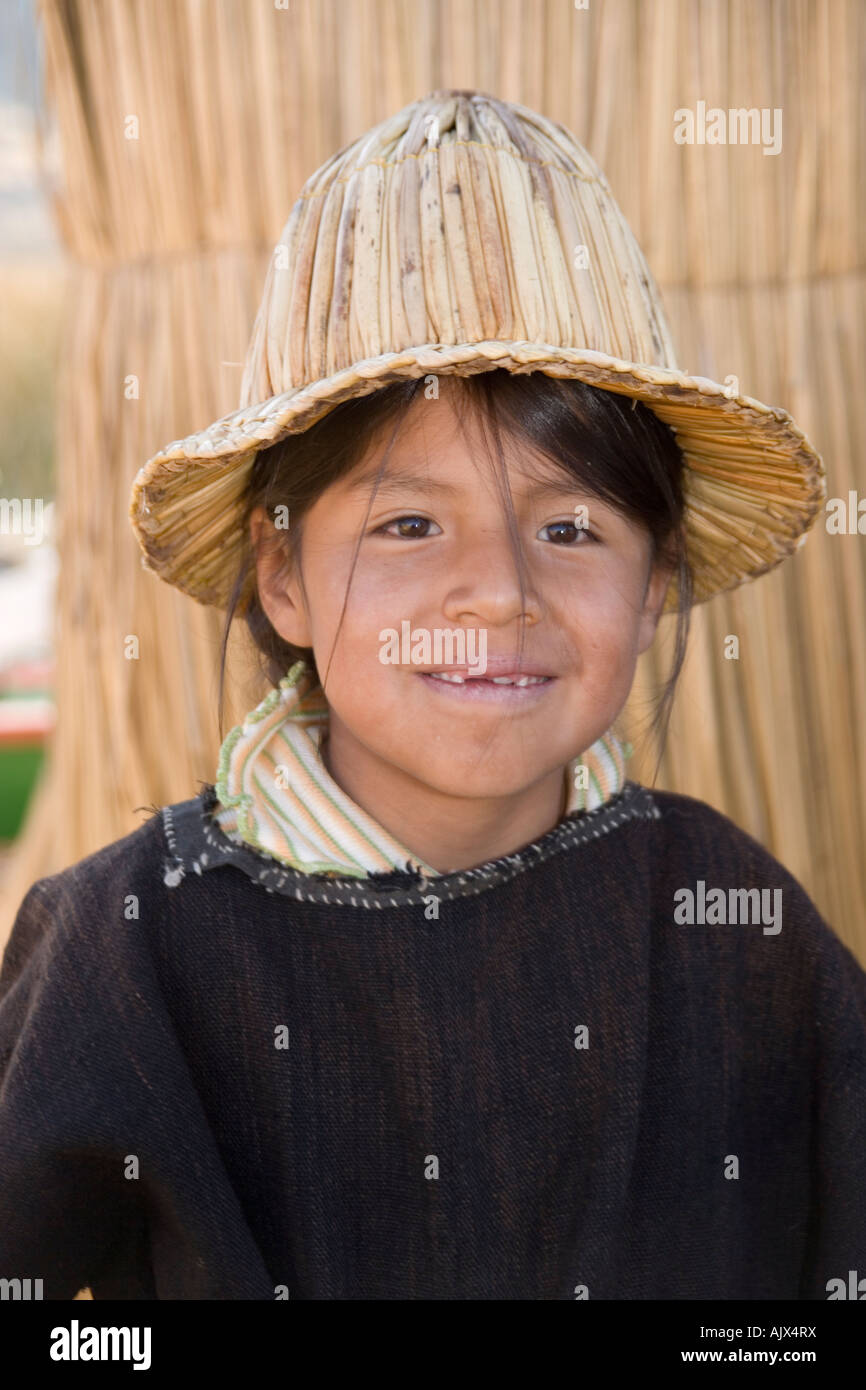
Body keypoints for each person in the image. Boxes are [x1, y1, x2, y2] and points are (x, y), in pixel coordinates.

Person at [1, 89, 863, 1301]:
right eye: (408, 522)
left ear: (656, 577)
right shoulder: (125, 950)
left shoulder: (740, 935)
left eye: (570, 526)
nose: (498, 592)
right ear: (282, 573)